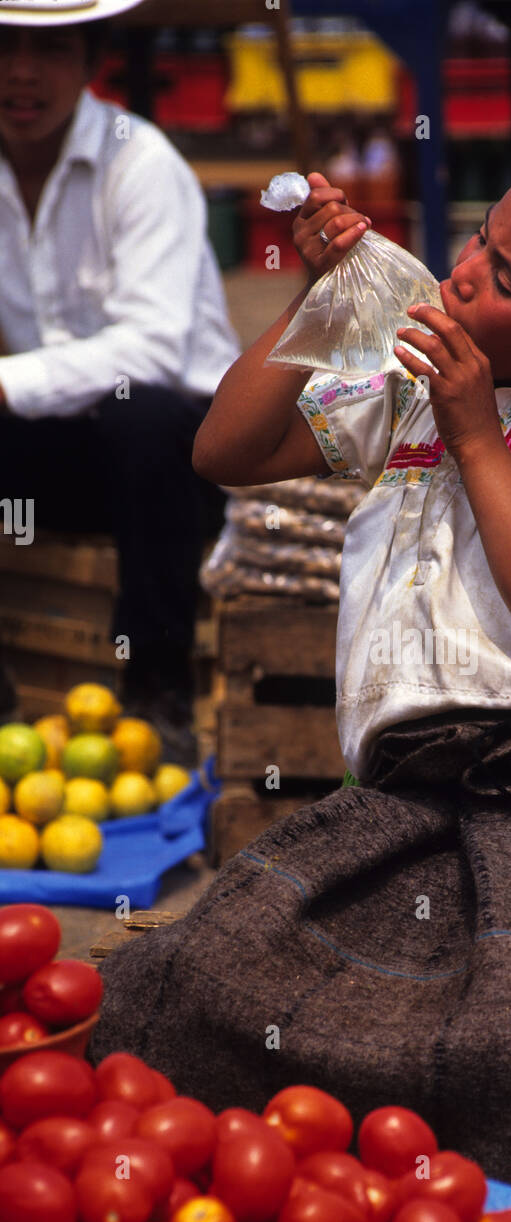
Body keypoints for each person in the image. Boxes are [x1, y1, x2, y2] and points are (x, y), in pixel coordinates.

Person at [90, 155, 511, 1214]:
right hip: (394, 809)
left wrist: (475, 431)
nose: (465, 273)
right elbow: (224, 447)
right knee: (199, 974)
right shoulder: (400, 393)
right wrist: (324, 296)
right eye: (481, 241)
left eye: (507, 279)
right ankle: (303, 1210)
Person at [0, 1, 240, 757]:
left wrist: (9, 382)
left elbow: (154, 351)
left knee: (141, 417)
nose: (20, 73)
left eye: (50, 49)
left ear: (90, 60)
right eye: (4, 47)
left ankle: (159, 688)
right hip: (63, 450)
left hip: (182, 462)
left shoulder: (142, 163)